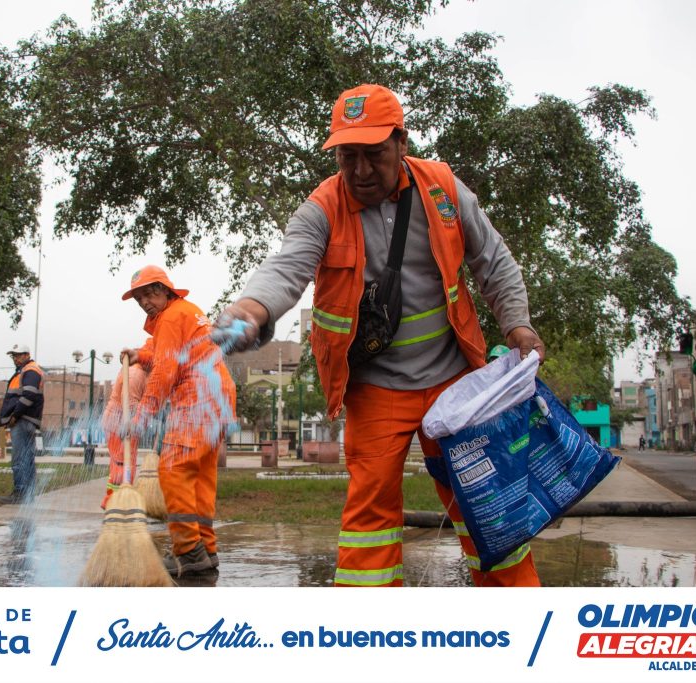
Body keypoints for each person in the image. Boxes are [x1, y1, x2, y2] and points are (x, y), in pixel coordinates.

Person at [215, 84, 546, 587]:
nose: (361, 172)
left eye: (374, 155)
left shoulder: (444, 189)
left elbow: (494, 262)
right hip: (377, 390)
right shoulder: (323, 207)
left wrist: (517, 324)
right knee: (369, 522)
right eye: (349, 157)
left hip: (455, 385)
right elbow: (286, 268)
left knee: (487, 507)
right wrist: (249, 309)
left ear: (402, 144)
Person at [122, 266, 236, 577]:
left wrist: (143, 415)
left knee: (173, 471)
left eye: (148, 293)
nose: (144, 302)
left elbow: (164, 370)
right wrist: (140, 355)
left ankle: (188, 551)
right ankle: (205, 550)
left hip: (196, 400)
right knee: (198, 476)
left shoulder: (171, 317)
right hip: (216, 398)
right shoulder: (185, 312)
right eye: (139, 298)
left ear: (164, 290)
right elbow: (166, 353)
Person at [0, 343, 44, 504]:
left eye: (17, 355)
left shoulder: (30, 371)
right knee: (27, 457)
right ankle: (28, 493)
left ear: (26, 355)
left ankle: (21, 492)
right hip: (26, 420)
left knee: (19, 458)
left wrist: (15, 415)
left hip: (23, 420)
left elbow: (28, 396)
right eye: (13, 356)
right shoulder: (26, 371)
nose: (15, 359)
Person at [99, 360, 149, 509]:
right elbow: (131, 404)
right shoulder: (136, 375)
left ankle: (115, 499)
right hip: (119, 426)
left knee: (123, 465)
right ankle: (115, 502)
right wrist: (150, 412)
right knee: (122, 465)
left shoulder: (137, 373)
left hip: (123, 425)